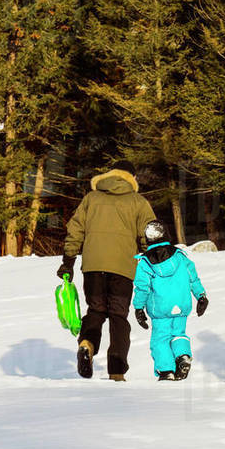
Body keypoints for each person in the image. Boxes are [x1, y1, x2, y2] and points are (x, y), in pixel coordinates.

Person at [57, 160, 155, 381]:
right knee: (118, 316)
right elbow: (148, 234)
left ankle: (87, 344)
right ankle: (117, 371)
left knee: (96, 311)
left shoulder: (91, 198)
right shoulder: (138, 202)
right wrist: (150, 260)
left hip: (93, 266)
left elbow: (75, 229)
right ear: (132, 178)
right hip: (122, 268)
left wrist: (68, 260)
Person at [131, 220, 209, 381]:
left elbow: (142, 288)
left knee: (160, 340)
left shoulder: (145, 263)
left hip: (160, 309)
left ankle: (166, 371)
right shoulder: (180, 256)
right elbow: (192, 277)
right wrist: (201, 296)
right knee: (178, 333)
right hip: (181, 305)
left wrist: (139, 308)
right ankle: (183, 356)